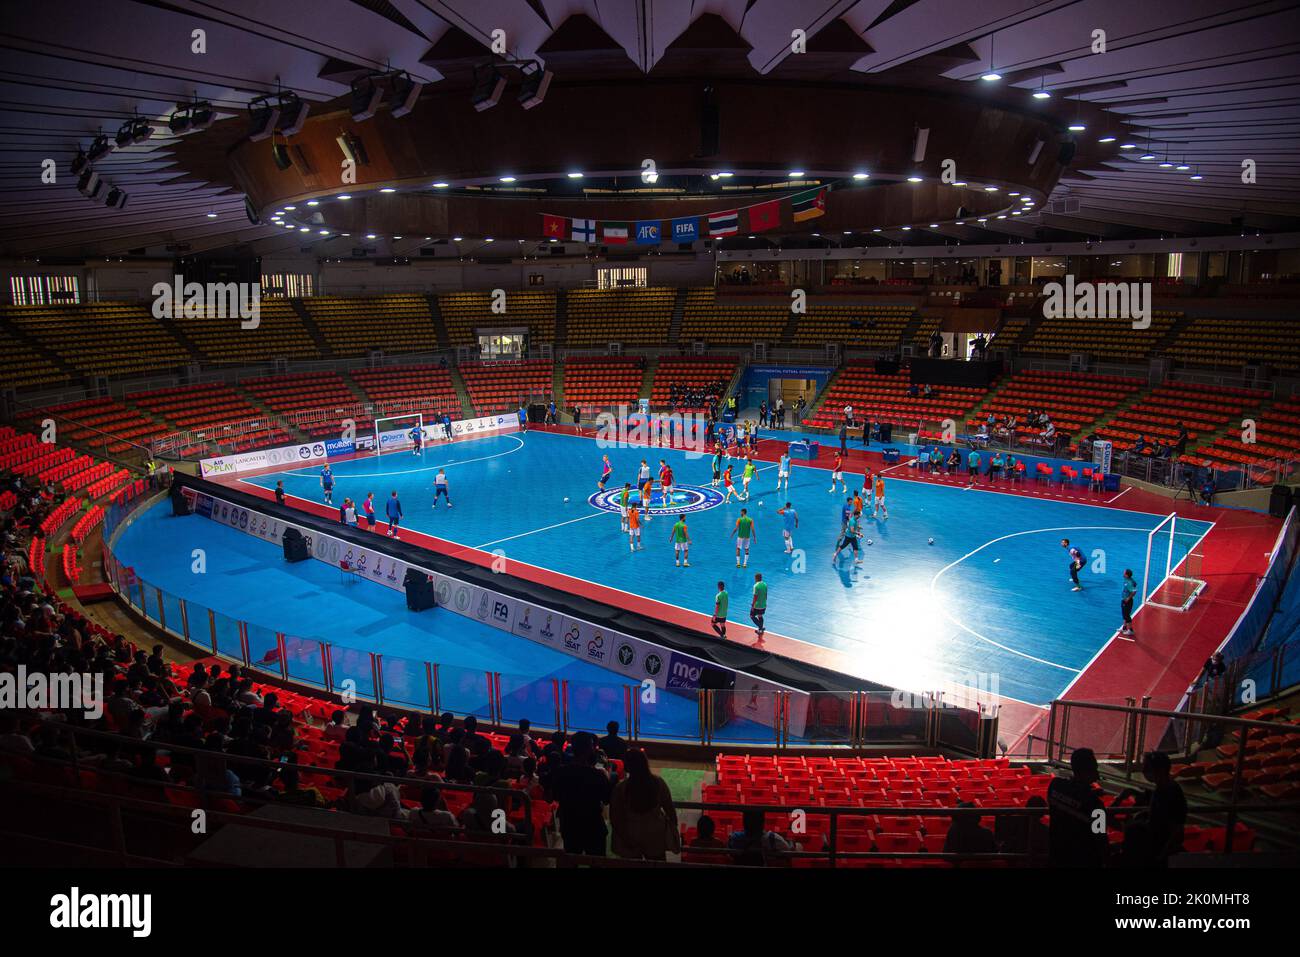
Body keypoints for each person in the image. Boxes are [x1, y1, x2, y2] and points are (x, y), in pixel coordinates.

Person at [1115, 751, 1187, 868]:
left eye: (1147, 767)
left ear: (1160, 770)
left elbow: (1177, 829)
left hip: (1157, 849)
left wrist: (1161, 855)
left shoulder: (1170, 792)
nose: (1143, 771)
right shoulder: (1163, 788)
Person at [549, 731, 612, 857]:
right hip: (592, 825)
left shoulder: (561, 772)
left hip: (569, 824)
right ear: (590, 749)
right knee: (596, 860)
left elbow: (553, 796)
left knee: (571, 858)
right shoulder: (598, 775)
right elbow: (606, 799)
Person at [610, 749, 680, 861]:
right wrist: (673, 831)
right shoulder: (658, 783)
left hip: (631, 833)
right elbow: (670, 810)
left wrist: (625, 838)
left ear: (627, 767)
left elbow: (615, 818)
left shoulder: (620, 788)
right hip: (655, 833)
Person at [1047, 747, 1109, 868]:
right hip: (1084, 860)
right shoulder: (1096, 806)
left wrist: (1085, 792)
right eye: (1095, 768)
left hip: (1057, 857)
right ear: (1088, 771)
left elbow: (1073, 798)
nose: (1097, 775)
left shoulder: (1055, 787)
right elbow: (1101, 838)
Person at [1120, 568, 1137, 638]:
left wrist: (1128, 598)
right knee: (1125, 614)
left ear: (1127, 575)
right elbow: (1135, 583)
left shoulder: (1129, 582)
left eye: (1124, 573)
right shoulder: (1128, 580)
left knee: (1126, 615)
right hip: (1124, 600)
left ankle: (1130, 630)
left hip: (1127, 601)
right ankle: (1124, 628)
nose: (1123, 574)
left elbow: (1134, 591)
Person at [750, 572, 767, 641]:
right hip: (763, 604)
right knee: (760, 616)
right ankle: (760, 629)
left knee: (752, 616)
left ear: (756, 578)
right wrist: (765, 602)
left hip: (757, 605)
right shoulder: (765, 584)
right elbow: (766, 595)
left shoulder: (756, 586)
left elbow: (755, 597)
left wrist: (752, 605)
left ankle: (760, 627)